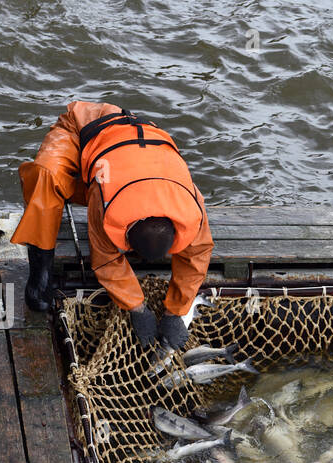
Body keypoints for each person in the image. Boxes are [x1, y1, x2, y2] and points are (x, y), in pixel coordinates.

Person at [11, 101, 213, 350]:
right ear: (125, 232)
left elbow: (198, 253)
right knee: (47, 177)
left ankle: (84, 175)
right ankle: (39, 276)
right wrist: (137, 308)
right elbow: (105, 260)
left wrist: (176, 312)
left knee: (87, 179)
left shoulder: (190, 205)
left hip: (135, 144)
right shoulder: (107, 203)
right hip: (83, 128)